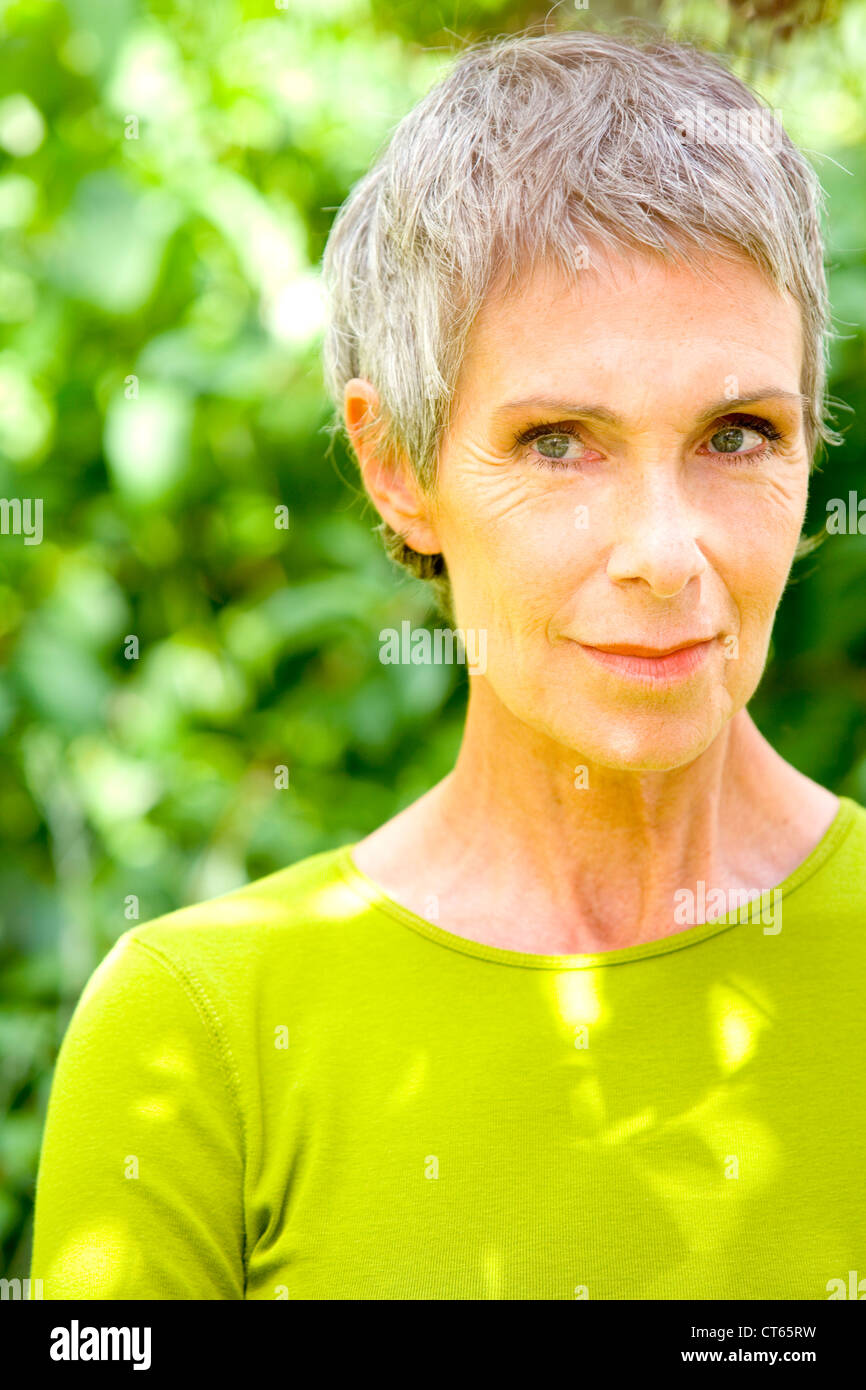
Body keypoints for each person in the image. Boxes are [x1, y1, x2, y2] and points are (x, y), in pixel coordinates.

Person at [31, 28, 866, 1300]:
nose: (662, 552)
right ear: (396, 468)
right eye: (556, 443)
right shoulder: (196, 1030)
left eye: (735, 433)